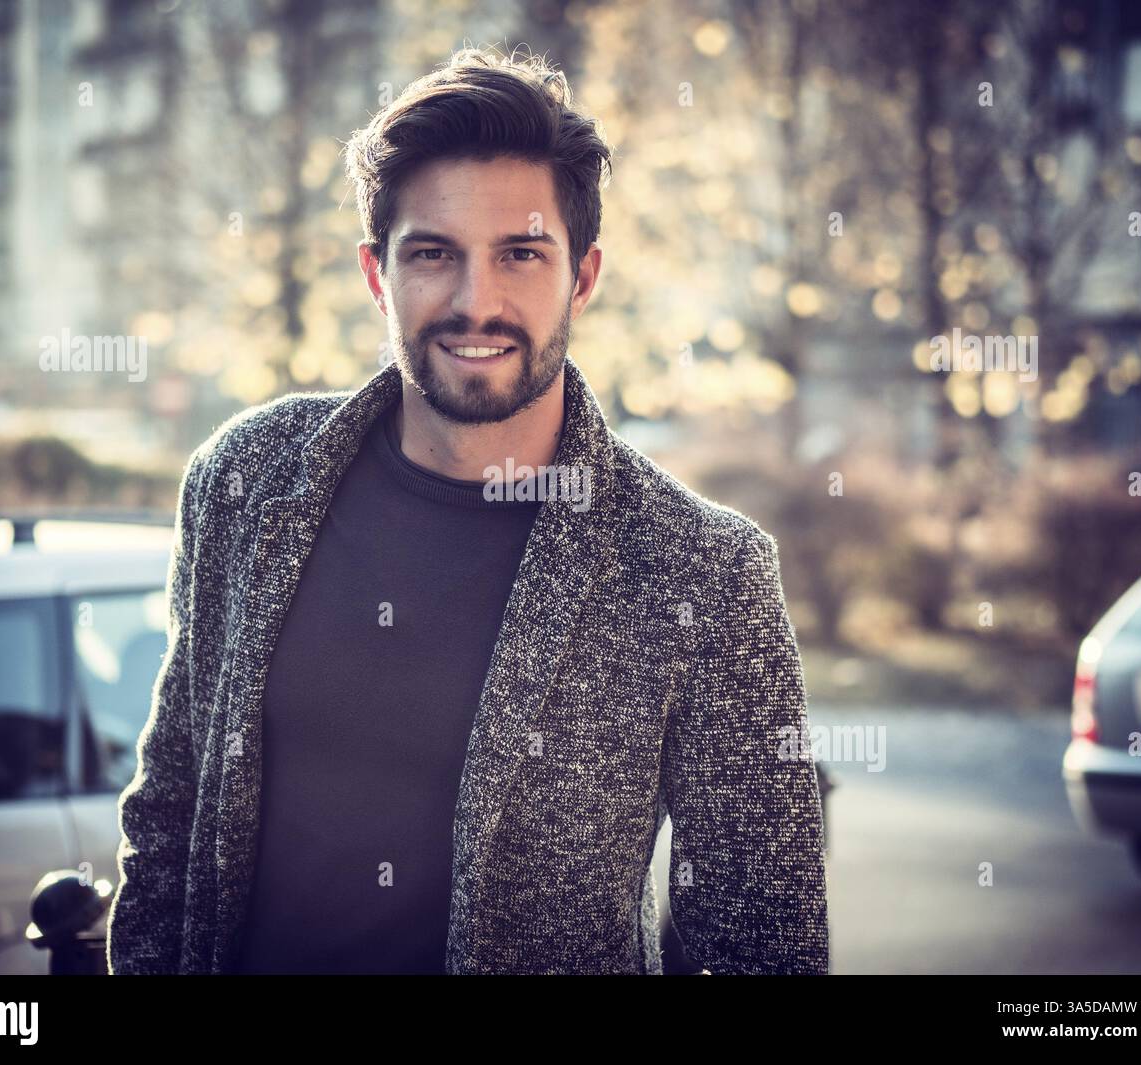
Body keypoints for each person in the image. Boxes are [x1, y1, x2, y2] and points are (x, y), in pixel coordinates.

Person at [105, 44, 828, 975]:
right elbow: (169, 807)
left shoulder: (703, 572)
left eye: (521, 254)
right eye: (434, 253)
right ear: (378, 275)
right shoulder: (243, 481)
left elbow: (762, 941)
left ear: (583, 275)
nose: (476, 301)